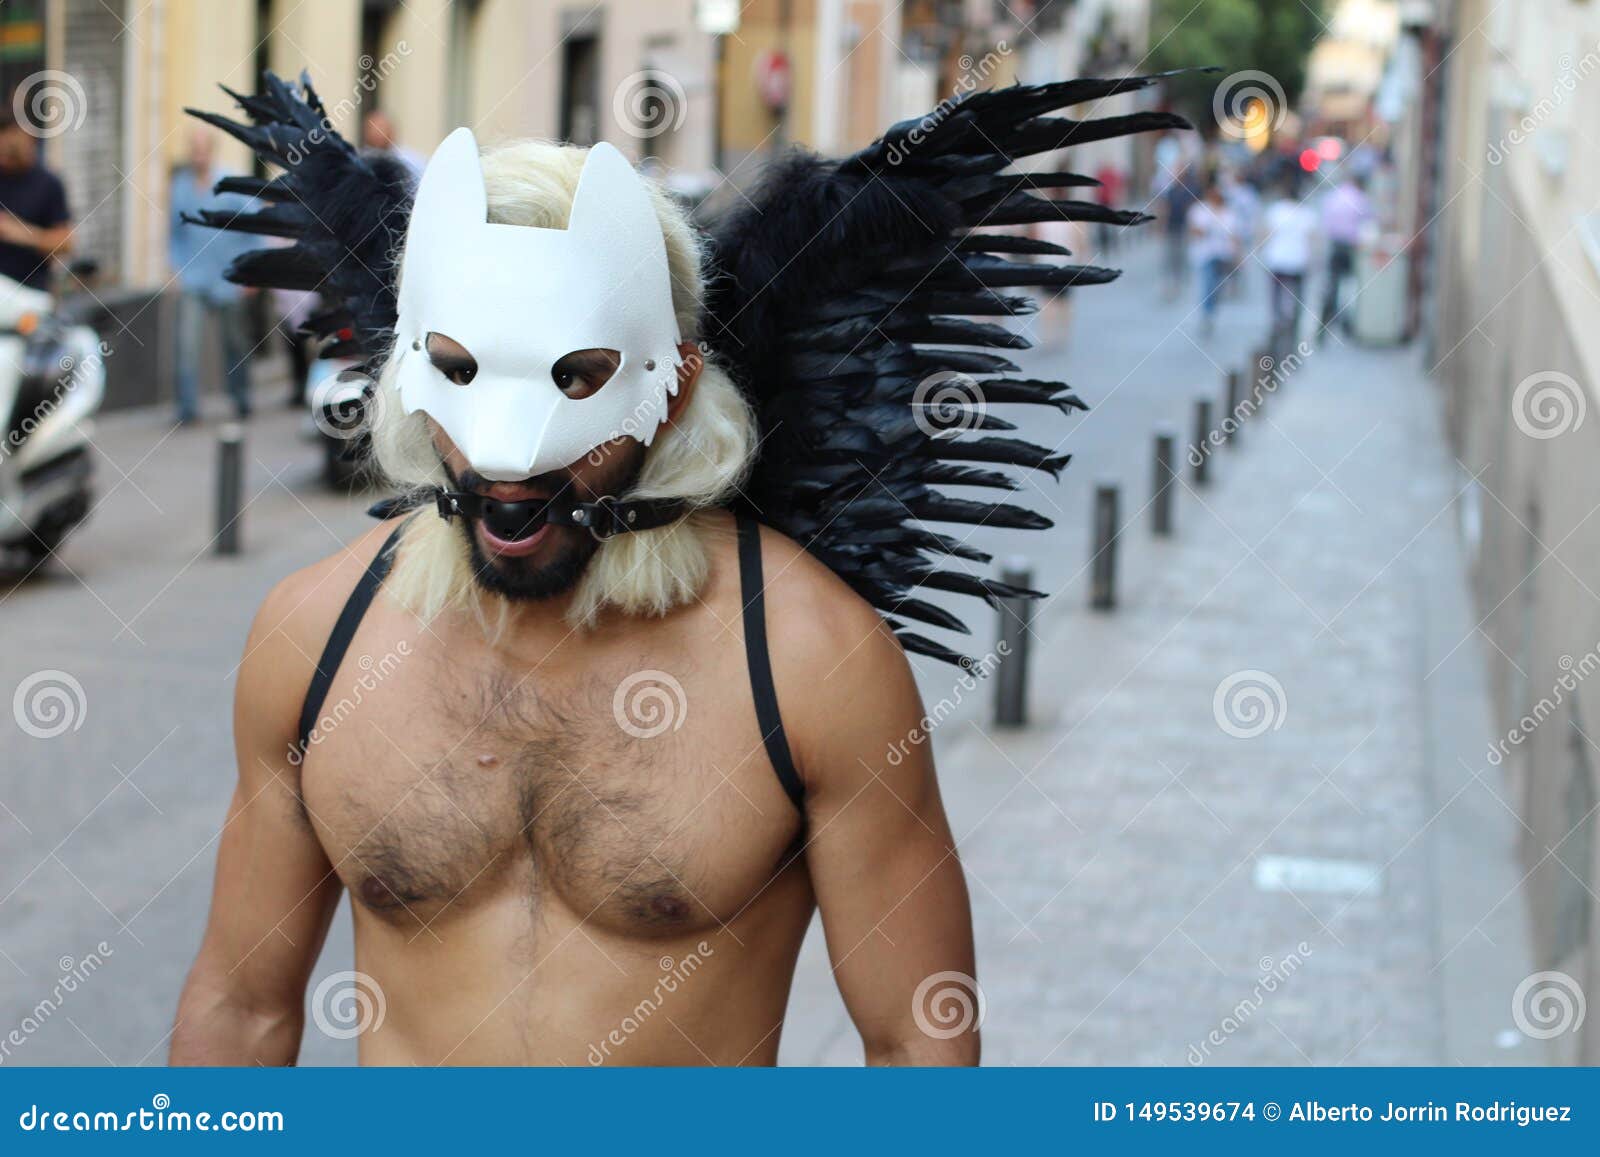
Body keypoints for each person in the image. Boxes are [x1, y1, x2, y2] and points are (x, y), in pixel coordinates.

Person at [168, 130, 261, 423]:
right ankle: (187, 408)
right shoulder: (181, 188)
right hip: (194, 280)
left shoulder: (229, 186)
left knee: (235, 343)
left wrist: (252, 271)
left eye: (203, 150)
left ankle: (241, 398)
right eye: (194, 150)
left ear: (212, 152)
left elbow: (255, 226)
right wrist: (176, 268)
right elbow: (174, 234)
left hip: (229, 279)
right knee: (187, 345)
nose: (198, 156)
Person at [0, 113, 73, 291]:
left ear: (29, 139)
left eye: (11, 150)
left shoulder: (48, 184)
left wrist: (22, 234)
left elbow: (65, 243)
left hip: (31, 290)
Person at [1257, 176, 1319, 344]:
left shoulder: (1275, 210)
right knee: (1298, 298)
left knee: (1276, 297)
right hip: (1298, 262)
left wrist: (1261, 252)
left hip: (1277, 261)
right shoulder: (1307, 214)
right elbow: (1313, 241)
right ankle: (1293, 329)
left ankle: (1276, 324)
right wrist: (1314, 261)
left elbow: (1263, 235)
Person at [1318, 169, 1373, 340]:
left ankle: (1323, 326)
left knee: (1332, 285)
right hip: (1350, 247)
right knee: (1350, 287)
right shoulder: (1360, 198)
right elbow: (1369, 221)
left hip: (1335, 245)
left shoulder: (1333, 196)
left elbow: (1325, 221)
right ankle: (1347, 326)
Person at [1186, 181, 1237, 337]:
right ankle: (1207, 313)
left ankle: (1212, 308)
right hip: (1205, 255)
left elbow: (1234, 236)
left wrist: (1237, 256)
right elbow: (1193, 230)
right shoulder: (1199, 210)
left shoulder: (1229, 213)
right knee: (1208, 284)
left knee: (1217, 286)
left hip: (1223, 255)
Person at [360, 108, 424, 177]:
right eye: (372, 128)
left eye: (381, 127)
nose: (377, 133)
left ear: (391, 130)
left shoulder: (412, 161)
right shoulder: (358, 161)